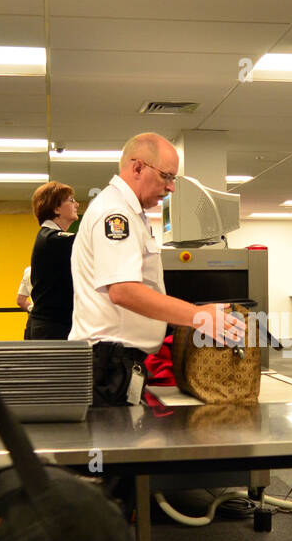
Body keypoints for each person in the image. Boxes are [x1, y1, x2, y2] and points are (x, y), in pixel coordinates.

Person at [69, 133, 242, 406]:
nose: (171, 187)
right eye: (167, 176)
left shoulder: (130, 213)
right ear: (137, 168)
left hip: (116, 362)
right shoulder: (117, 214)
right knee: (115, 443)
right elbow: (123, 291)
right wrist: (197, 316)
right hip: (108, 365)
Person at [18, 181, 78, 340]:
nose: (76, 204)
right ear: (56, 208)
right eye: (71, 200)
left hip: (54, 325)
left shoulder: (50, 237)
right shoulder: (52, 238)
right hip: (52, 329)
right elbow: (90, 240)